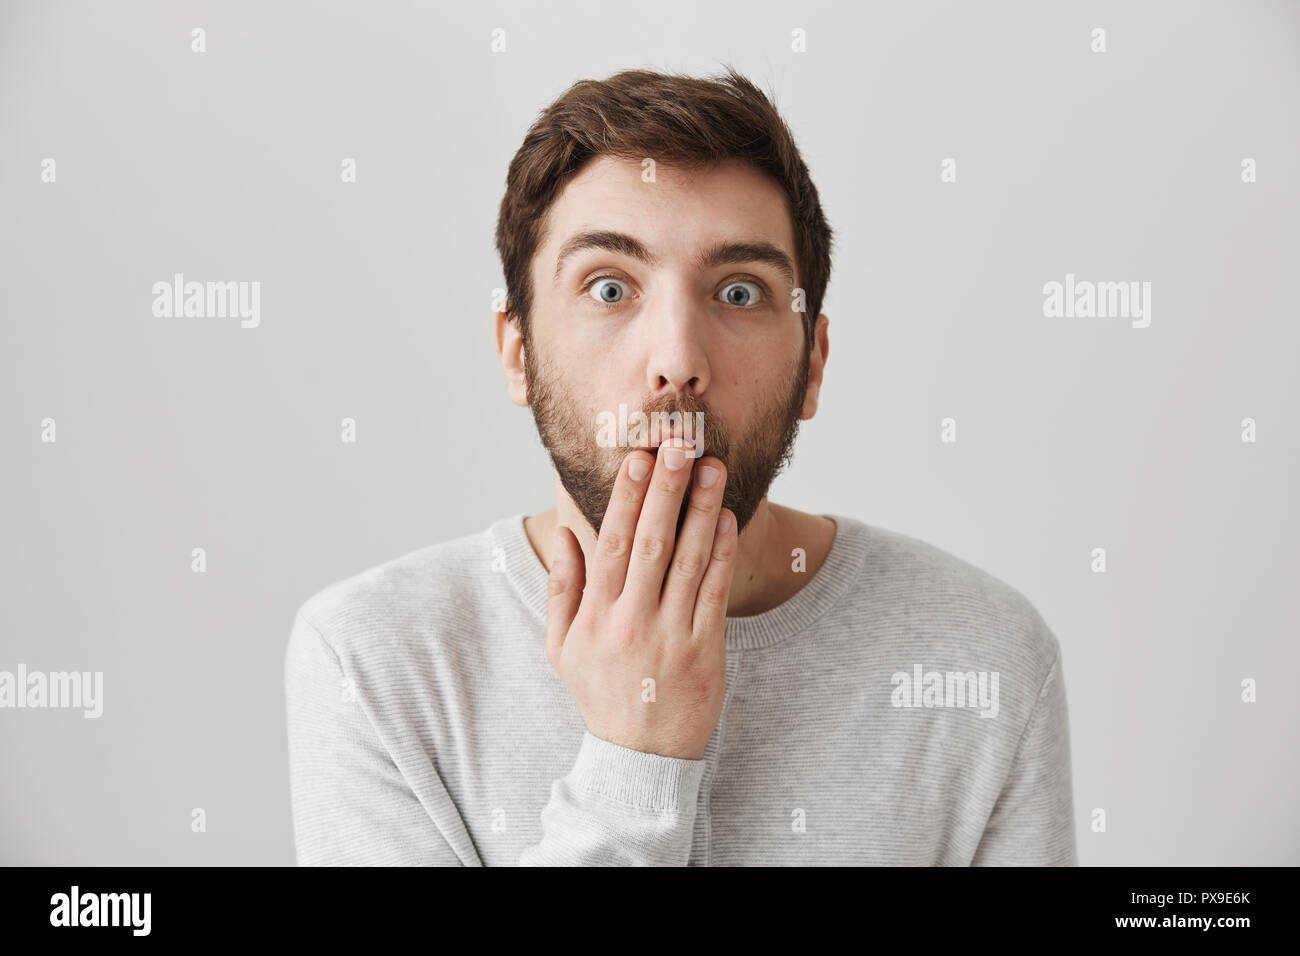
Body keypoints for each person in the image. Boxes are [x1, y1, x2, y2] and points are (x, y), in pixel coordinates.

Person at [284, 66, 1077, 866]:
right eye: (608, 287)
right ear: (517, 351)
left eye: (739, 293)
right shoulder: (371, 659)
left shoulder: (985, 658)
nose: (678, 361)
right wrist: (636, 754)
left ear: (812, 366)